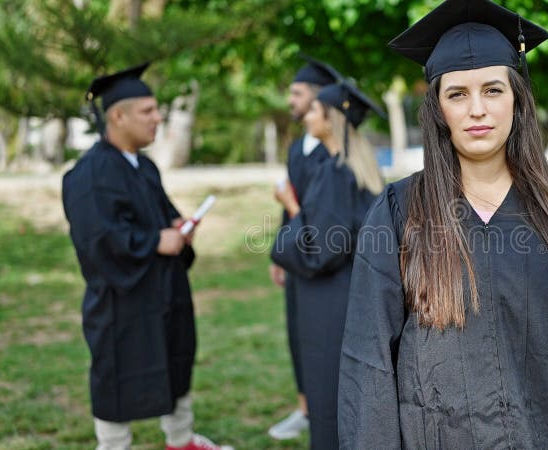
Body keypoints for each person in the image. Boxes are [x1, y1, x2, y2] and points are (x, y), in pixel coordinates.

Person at [337, 0, 548, 448]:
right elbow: (370, 365)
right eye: (457, 94)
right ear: (438, 109)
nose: (477, 109)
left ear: (517, 99)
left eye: (493, 90)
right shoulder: (400, 213)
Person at [62, 63, 232, 450]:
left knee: (175, 359)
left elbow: (160, 214)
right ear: (117, 116)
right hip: (121, 299)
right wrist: (155, 241)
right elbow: (97, 238)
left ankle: (181, 439)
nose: (158, 118)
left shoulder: (144, 166)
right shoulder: (89, 174)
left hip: (164, 291)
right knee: (116, 373)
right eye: (148, 111)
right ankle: (113, 444)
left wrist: (178, 227)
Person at [271, 79, 385, 450]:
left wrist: (291, 206)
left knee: (330, 401)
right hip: (347, 297)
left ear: (331, 119)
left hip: (329, 306)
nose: (307, 116)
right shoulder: (355, 171)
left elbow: (320, 250)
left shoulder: (336, 175)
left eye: (315, 110)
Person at [267, 55, 343, 441]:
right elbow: (291, 205)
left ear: (318, 101)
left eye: (297, 94)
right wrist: (278, 253)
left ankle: (319, 409)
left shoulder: (336, 155)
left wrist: (290, 208)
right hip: (297, 249)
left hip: (321, 254)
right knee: (297, 332)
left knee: (318, 336)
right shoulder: (297, 149)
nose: (291, 101)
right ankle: (304, 405)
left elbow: (313, 212)